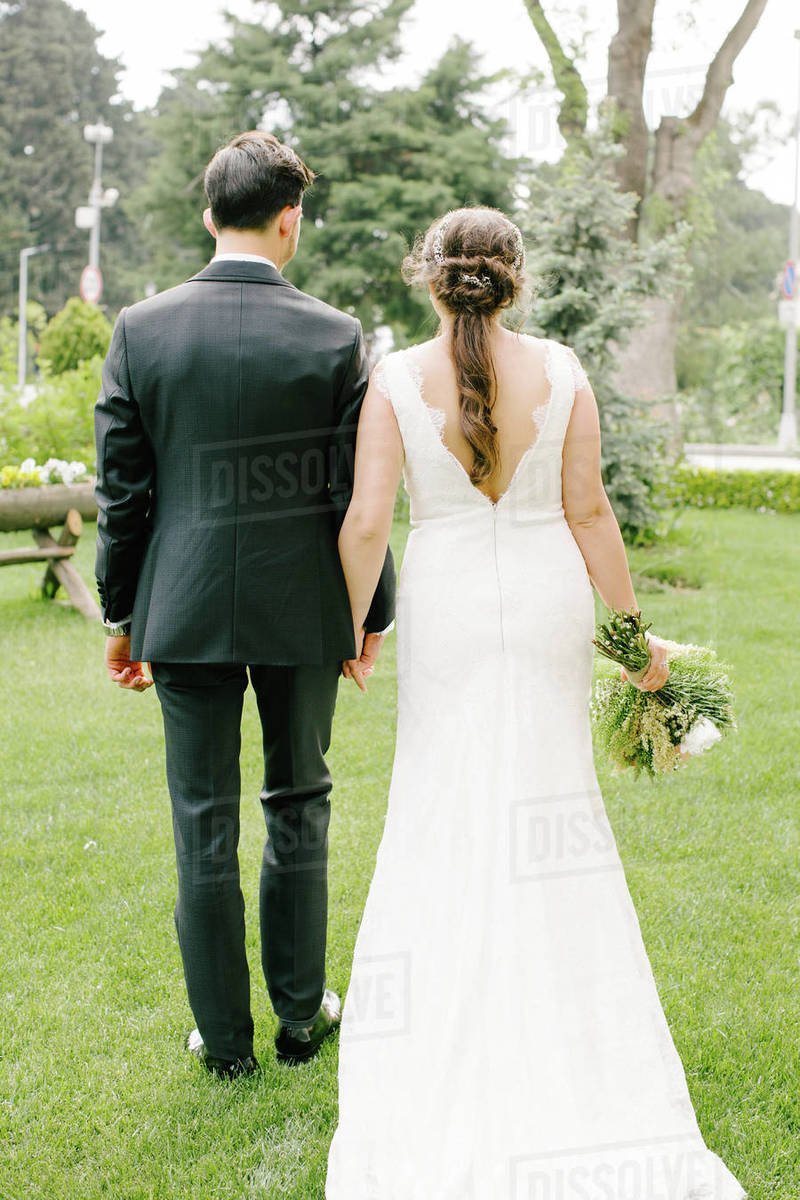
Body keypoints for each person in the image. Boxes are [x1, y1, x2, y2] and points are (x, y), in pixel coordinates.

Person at [326, 207, 746, 1198]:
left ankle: (439, 1028)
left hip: (448, 608)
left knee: (438, 808)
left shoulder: (391, 379)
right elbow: (588, 510)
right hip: (551, 601)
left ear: (430, 278)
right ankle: (566, 1035)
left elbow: (364, 523)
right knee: (552, 812)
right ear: (514, 277)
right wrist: (633, 638)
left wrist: (352, 628)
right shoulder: (560, 371)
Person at [94, 131, 395, 1077]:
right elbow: (361, 497)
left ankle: (224, 1045)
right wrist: (368, 617)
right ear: (289, 221)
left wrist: (121, 615)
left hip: (178, 609)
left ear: (208, 215)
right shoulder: (336, 334)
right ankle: (301, 1023)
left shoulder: (141, 329)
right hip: (306, 610)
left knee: (202, 818)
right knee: (300, 803)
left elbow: (122, 492)